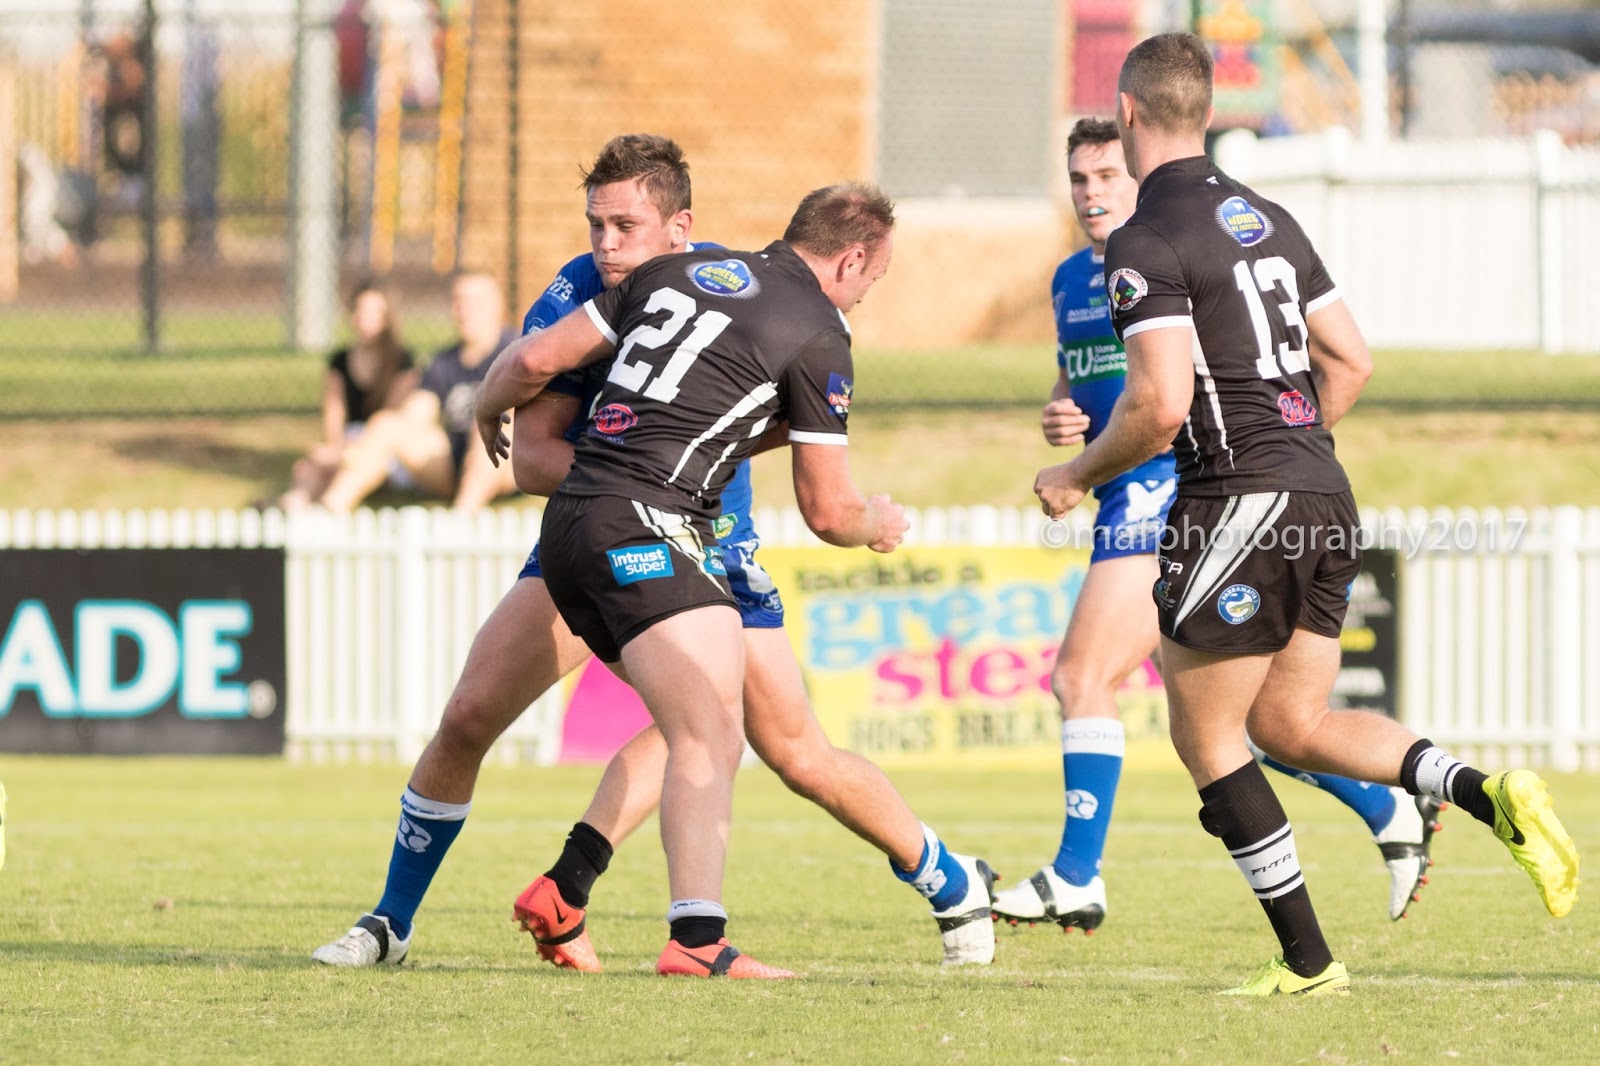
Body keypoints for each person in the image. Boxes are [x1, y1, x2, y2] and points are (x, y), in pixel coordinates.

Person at [311, 137, 995, 975]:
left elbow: (765, 426)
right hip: (611, 526)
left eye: (624, 225)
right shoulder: (578, 292)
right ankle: (393, 922)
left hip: (715, 545)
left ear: (681, 226)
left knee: (788, 749)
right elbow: (531, 459)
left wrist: (674, 488)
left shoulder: (718, 282)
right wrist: (639, 494)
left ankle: (945, 877)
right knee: (471, 717)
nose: (606, 244)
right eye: (595, 224)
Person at [1033, 32, 1579, 995]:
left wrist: (1076, 470)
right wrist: (1288, 447)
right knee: (1292, 721)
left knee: (1206, 737)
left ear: (1128, 114)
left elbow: (1158, 406)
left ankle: (1309, 963)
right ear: (1208, 113)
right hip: (1324, 490)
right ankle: (1489, 797)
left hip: (1236, 496)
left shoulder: (1143, 240)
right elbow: (1352, 362)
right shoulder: (1269, 218)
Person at [991, 119, 1443, 933]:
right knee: (1239, 718)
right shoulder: (1069, 279)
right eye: (1078, 180)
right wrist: (1063, 413)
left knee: (1084, 677)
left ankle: (1076, 875)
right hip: (1127, 490)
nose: (1092, 192)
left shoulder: (1169, 250)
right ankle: (1388, 807)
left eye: (1105, 174)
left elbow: (1179, 395)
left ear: (1137, 172)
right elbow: (1087, 375)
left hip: (1174, 489)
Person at [469, 180, 920, 979]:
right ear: (852, 260)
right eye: (873, 283)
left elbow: (533, 359)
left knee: (695, 720)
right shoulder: (819, 331)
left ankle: (569, 886)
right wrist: (874, 524)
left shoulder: (676, 272)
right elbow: (826, 508)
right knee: (712, 727)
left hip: (570, 522)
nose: (865, 298)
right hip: (651, 525)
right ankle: (696, 939)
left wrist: (485, 406)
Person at [317, 271, 519, 512]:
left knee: (491, 425)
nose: (466, 311)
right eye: (459, 302)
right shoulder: (443, 362)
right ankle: (330, 507)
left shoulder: (517, 352)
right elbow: (415, 414)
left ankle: (462, 516)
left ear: (498, 307)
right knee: (386, 424)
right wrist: (362, 444)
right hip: (452, 461)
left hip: (509, 464)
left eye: (476, 303)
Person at [276, 281, 417, 511]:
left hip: (385, 446)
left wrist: (343, 452)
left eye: (374, 313)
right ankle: (294, 504)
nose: (365, 319)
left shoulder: (402, 362)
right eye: (360, 311)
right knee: (308, 468)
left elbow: (390, 420)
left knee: (363, 460)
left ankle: (331, 506)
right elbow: (334, 413)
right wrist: (338, 448)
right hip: (348, 442)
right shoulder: (340, 362)